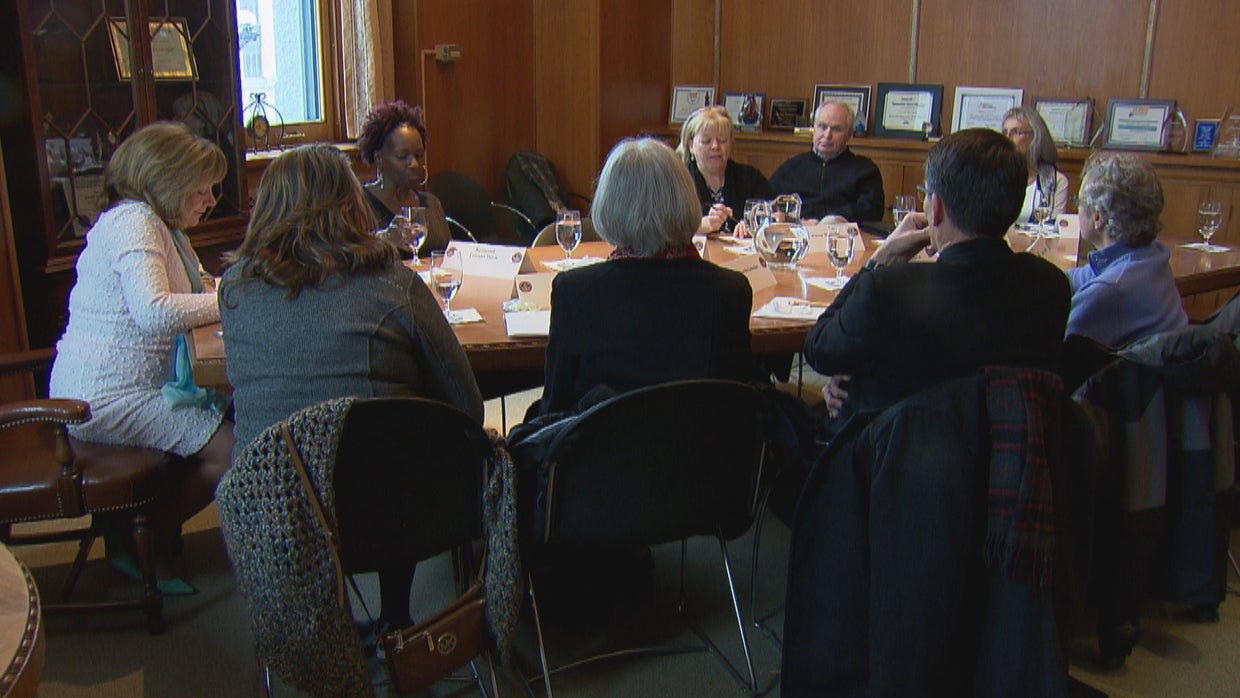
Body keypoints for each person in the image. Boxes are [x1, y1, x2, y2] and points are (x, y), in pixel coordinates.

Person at [219, 144, 483, 631]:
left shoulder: (234, 290)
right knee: (388, 444)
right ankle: (397, 619)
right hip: (396, 514)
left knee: (363, 444)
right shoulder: (391, 283)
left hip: (272, 512)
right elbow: (466, 407)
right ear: (351, 202)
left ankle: (329, 624)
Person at [49, 121, 235, 593]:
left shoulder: (161, 227)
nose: (210, 200)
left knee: (224, 423)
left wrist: (222, 289)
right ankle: (148, 537)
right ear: (166, 180)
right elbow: (154, 311)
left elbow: (188, 289)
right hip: (99, 398)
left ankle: (138, 530)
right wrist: (234, 299)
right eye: (202, 188)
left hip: (121, 387)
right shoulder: (134, 223)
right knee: (230, 450)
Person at [809, 128, 1071, 428]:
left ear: (935, 208)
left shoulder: (889, 288)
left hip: (892, 460)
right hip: (1007, 459)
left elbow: (819, 350)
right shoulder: (1051, 286)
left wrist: (878, 261)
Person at [537, 137, 761, 416]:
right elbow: (742, 399)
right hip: (701, 451)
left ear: (608, 206)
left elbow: (554, 406)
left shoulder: (575, 291)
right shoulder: (731, 290)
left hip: (604, 452)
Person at [1067, 152, 1188, 347]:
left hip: (1128, 376)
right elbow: (1078, 277)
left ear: (1098, 218)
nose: (1077, 208)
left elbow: (1055, 346)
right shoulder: (1152, 255)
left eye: (1078, 201)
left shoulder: (1110, 289)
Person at [357, 99, 452, 254]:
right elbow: (351, 262)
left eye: (419, 155)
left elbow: (450, 257)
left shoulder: (432, 204)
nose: (414, 164)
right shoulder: (359, 205)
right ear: (379, 158)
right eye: (402, 156)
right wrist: (385, 240)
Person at [769, 101, 885, 223]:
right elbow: (766, 204)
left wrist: (831, 221)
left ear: (849, 134)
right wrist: (791, 220)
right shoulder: (791, 168)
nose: (827, 135)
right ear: (813, 128)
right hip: (796, 234)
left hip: (842, 236)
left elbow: (871, 211)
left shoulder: (865, 170)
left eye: (837, 129)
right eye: (822, 126)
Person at [675, 105, 774, 236]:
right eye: (706, 141)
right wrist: (697, 227)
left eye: (722, 140)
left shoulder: (750, 178)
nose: (715, 146)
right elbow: (663, 231)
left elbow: (774, 215)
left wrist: (756, 227)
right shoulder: (677, 182)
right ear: (691, 145)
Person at [1002, 106, 1069, 225]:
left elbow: (1052, 229)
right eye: (1005, 132)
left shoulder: (1057, 182)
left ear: (1036, 138)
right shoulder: (993, 176)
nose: (1007, 138)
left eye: (1016, 132)